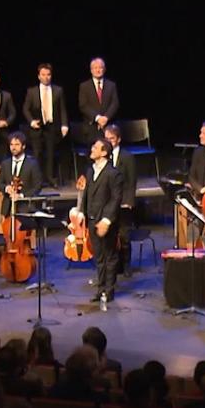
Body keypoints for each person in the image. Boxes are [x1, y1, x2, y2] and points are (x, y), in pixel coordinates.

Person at [75, 139, 122, 303]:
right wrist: (82, 213)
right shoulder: (90, 171)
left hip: (105, 221)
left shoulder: (113, 173)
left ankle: (109, 290)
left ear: (104, 152)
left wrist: (107, 220)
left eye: (95, 147)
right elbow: (87, 194)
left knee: (110, 256)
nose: (91, 149)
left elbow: (115, 199)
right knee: (99, 257)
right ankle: (100, 288)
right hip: (92, 219)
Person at [21, 63, 69, 186]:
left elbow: (62, 109)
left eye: (48, 75)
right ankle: (38, 180)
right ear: (39, 76)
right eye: (43, 75)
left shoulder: (58, 90)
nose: (46, 77)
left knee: (50, 153)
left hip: (52, 126)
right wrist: (31, 121)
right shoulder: (32, 91)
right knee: (38, 153)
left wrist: (64, 125)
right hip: (37, 127)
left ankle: (51, 178)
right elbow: (26, 109)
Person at [103, 124, 136, 275]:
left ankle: (127, 264)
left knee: (124, 235)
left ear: (119, 139)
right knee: (109, 236)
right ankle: (112, 265)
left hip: (123, 200)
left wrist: (129, 201)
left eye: (112, 138)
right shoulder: (102, 155)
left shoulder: (127, 157)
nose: (109, 141)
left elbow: (131, 181)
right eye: (107, 138)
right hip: (107, 202)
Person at [0, 133, 43, 216]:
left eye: (17, 144)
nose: (13, 147)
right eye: (11, 144)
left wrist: (21, 196)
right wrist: (6, 188)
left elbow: (37, 187)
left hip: (26, 208)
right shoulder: (5, 164)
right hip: (8, 209)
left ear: (23, 146)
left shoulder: (32, 164)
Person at [77, 57, 119, 144]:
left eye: (100, 68)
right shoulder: (84, 86)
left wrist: (106, 118)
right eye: (95, 68)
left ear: (104, 69)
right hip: (91, 127)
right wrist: (98, 118)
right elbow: (83, 105)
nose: (98, 70)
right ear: (91, 70)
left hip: (109, 126)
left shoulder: (111, 85)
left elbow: (115, 103)